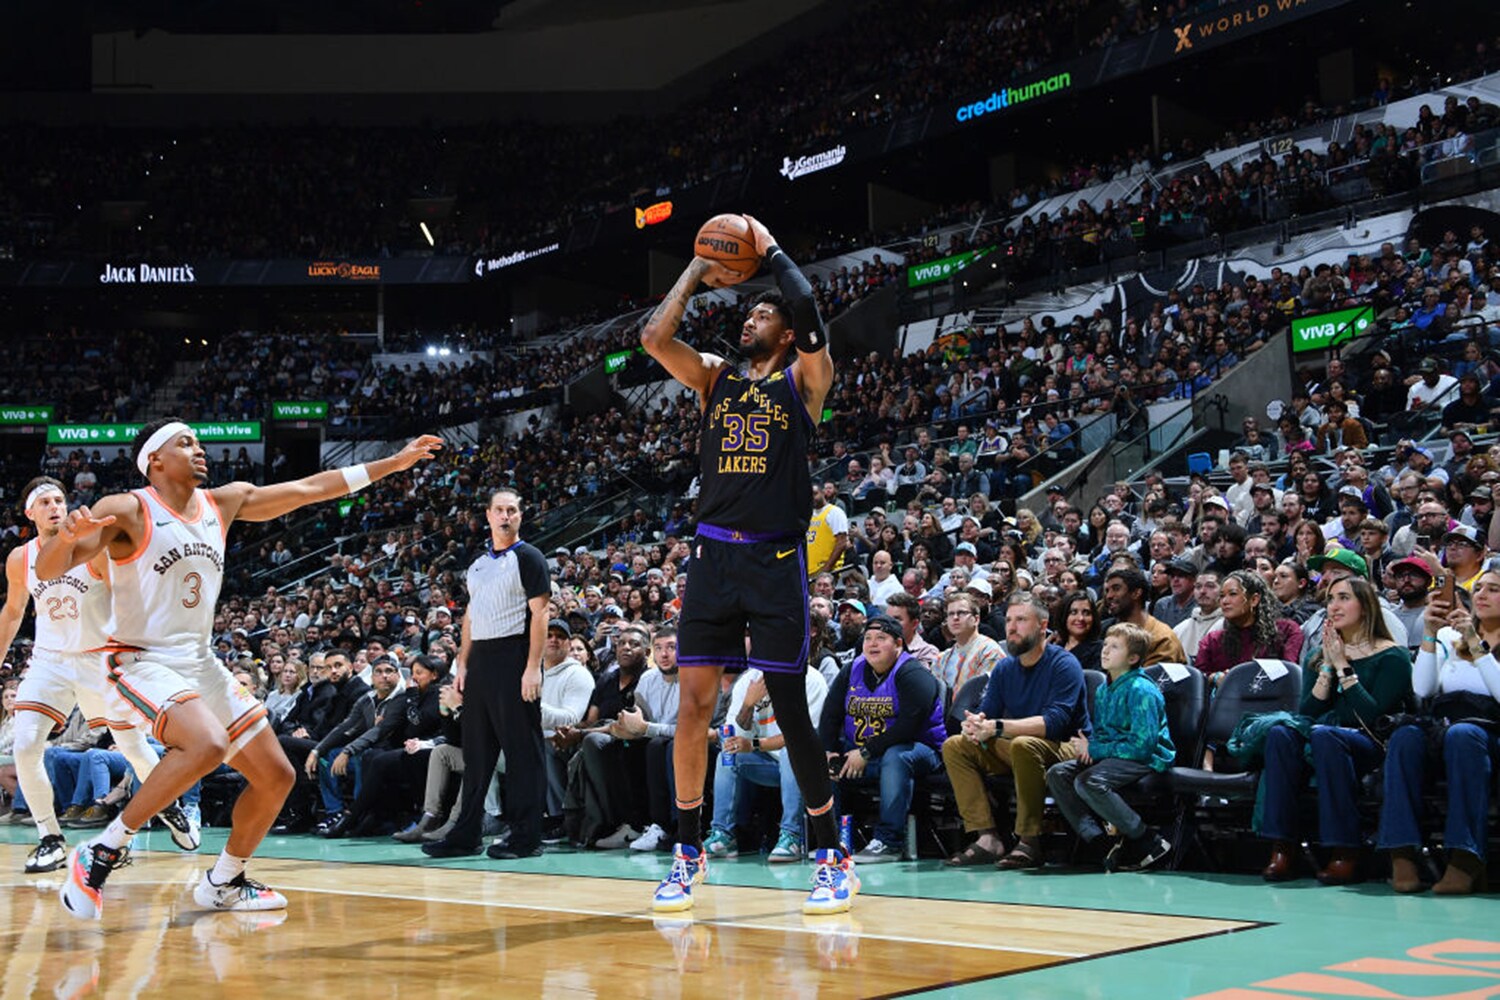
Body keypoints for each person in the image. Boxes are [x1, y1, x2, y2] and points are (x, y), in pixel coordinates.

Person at [40, 418, 442, 918]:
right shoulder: (127, 508)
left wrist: (394, 463)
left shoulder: (222, 502)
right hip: (142, 658)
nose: (200, 449)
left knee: (276, 775)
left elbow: (310, 488)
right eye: (186, 442)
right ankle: (103, 849)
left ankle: (224, 880)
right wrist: (63, 539)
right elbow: (50, 569)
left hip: (200, 660)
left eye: (198, 441)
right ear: (155, 460)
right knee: (206, 744)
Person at [638, 216, 854, 914]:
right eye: (750, 309)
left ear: (787, 333)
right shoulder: (715, 379)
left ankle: (830, 857)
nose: (751, 317)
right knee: (697, 706)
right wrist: (698, 270)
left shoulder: (805, 381)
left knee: (791, 711)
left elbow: (814, 314)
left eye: (765, 311)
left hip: (775, 559)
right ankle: (688, 851)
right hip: (711, 559)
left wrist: (771, 251)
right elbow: (652, 338)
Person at [0, 476, 194, 877]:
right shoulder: (21, 558)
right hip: (49, 660)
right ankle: (50, 839)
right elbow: (13, 612)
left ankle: (167, 805)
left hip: (98, 659)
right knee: (25, 744)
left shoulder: (93, 549)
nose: (56, 506)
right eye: (46, 502)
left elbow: (129, 599)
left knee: (133, 746)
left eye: (60, 499)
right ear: (29, 512)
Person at [423, 488, 551, 861]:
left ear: (520, 516)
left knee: (522, 753)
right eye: (500, 510)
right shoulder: (477, 564)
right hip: (480, 661)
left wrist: (532, 668)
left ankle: (526, 837)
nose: (506, 516)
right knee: (476, 755)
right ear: (488, 514)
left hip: (514, 656)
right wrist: (463, 663)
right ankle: (465, 834)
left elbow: (540, 614)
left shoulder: (529, 557)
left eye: (512, 510)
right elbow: (471, 616)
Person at [1261, 578, 1414, 884]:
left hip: (1371, 743)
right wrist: (1327, 667)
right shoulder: (1320, 653)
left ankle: (1344, 849)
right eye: (1330, 599)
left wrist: (1343, 665)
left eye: (1344, 598)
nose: (1334, 605)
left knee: (1323, 736)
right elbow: (1307, 712)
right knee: (1281, 734)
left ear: (1366, 606)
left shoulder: (1392, 655)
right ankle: (1281, 846)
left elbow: (1371, 714)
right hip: (1327, 733)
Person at [942, 594, 1089, 871]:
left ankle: (1029, 840)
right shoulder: (1005, 668)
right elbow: (988, 712)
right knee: (955, 745)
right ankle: (987, 838)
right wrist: (975, 725)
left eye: (1021, 620)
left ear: (1042, 625)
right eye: (1009, 620)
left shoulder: (1064, 663)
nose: (1011, 627)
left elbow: (1055, 723)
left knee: (1024, 744)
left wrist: (996, 727)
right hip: (1020, 747)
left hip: (1067, 747)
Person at [1381, 566, 1500, 894]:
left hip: (1490, 731)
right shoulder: (1451, 635)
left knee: (1464, 736)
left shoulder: (1471, 639)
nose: (1483, 595)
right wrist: (1431, 634)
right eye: (1480, 589)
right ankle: (1401, 851)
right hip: (1447, 726)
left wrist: (1475, 643)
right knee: (1405, 737)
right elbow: (1423, 689)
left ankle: (1465, 856)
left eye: (1494, 589)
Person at [1044, 623, 1175, 871]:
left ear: (1133, 657)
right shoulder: (1104, 688)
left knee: (1089, 781)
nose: (1105, 651)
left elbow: (1142, 746)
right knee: (1058, 773)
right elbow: (1103, 733)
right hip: (1116, 755)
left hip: (1147, 759)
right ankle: (1101, 843)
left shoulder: (1141, 690)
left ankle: (1148, 840)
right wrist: (1087, 748)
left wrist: (1095, 750)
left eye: (1115, 647)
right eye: (1105, 644)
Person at [820, 615, 945, 863]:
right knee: (820, 760)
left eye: (881, 638)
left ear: (898, 644)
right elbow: (830, 714)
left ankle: (889, 840)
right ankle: (832, 839)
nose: (872, 644)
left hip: (922, 750)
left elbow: (909, 726)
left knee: (896, 757)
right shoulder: (852, 669)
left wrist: (866, 752)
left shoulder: (913, 672)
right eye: (867, 638)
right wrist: (828, 751)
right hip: (864, 752)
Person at [706, 664, 828, 863]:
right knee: (727, 756)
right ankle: (723, 835)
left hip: (808, 764)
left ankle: (791, 837)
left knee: (792, 752)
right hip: (768, 762)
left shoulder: (811, 679)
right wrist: (747, 705)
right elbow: (735, 737)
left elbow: (802, 737)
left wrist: (755, 744)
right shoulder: (749, 681)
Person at [1193, 571, 1304, 686]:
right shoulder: (1213, 640)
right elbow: (1197, 678)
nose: (1225, 601)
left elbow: (1289, 674)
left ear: (1254, 600)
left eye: (1233, 594)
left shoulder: (1287, 631)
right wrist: (1215, 677)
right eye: (1222, 596)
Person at [1102, 567, 1186, 665]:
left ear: (1136, 593)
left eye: (1116, 589)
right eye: (1107, 591)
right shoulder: (1107, 630)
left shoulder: (1161, 638)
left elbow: (1151, 678)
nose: (1109, 596)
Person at [934, 591, 1005, 693]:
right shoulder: (941, 659)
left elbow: (987, 694)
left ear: (976, 619)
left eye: (961, 613)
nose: (955, 618)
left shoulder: (989, 651)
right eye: (950, 614)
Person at [1052, 590, 1102, 673]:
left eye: (1086, 613)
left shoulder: (1099, 649)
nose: (1080, 618)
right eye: (1073, 612)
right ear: (1064, 616)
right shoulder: (1055, 647)